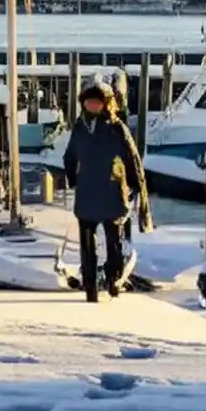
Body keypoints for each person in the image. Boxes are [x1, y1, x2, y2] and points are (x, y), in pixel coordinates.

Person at [62, 81, 147, 302]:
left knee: (114, 242)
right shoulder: (80, 127)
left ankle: (113, 278)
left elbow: (132, 159)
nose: (91, 106)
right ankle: (90, 285)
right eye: (88, 103)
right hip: (87, 190)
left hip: (111, 190)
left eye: (95, 103)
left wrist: (136, 185)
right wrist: (72, 178)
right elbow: (70, 155)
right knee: (87, 244)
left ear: (104, 104)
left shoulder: (116, 128)